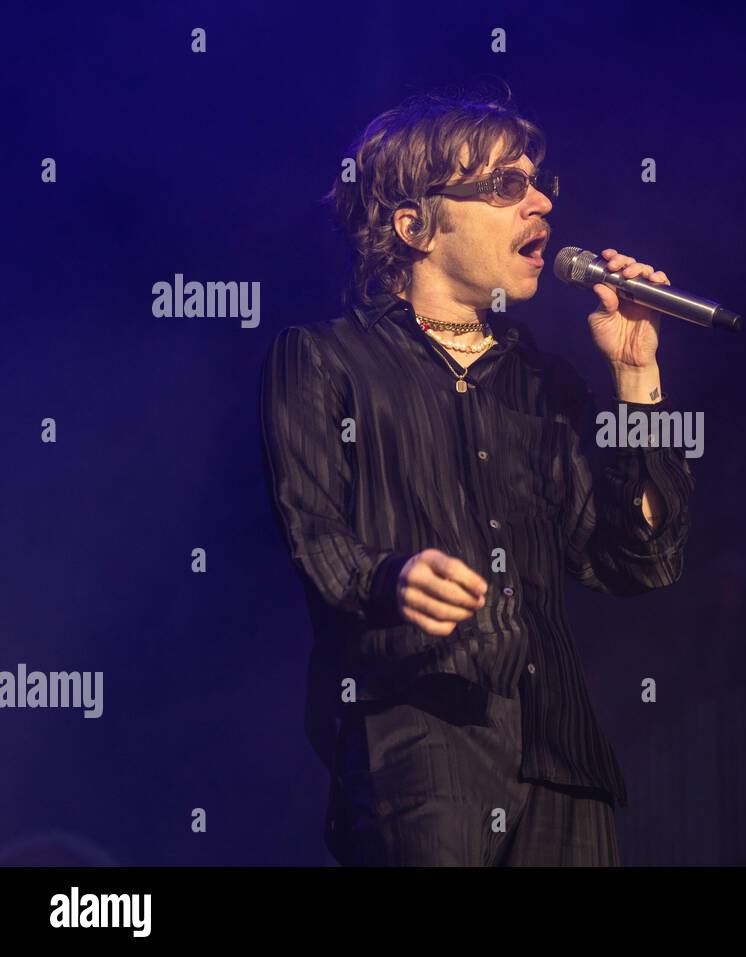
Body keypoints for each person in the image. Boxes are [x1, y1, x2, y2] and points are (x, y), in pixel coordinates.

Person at [258, 87, 694, 866]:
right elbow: (313, 533)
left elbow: (639, 560)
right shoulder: (325, 360)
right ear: (413, 223)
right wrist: (391, 576)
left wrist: (636, 374)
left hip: (562, 751)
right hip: (417, 726)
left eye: (539, 183)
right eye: (505, 187)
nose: (540, 206)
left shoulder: (544, 380)